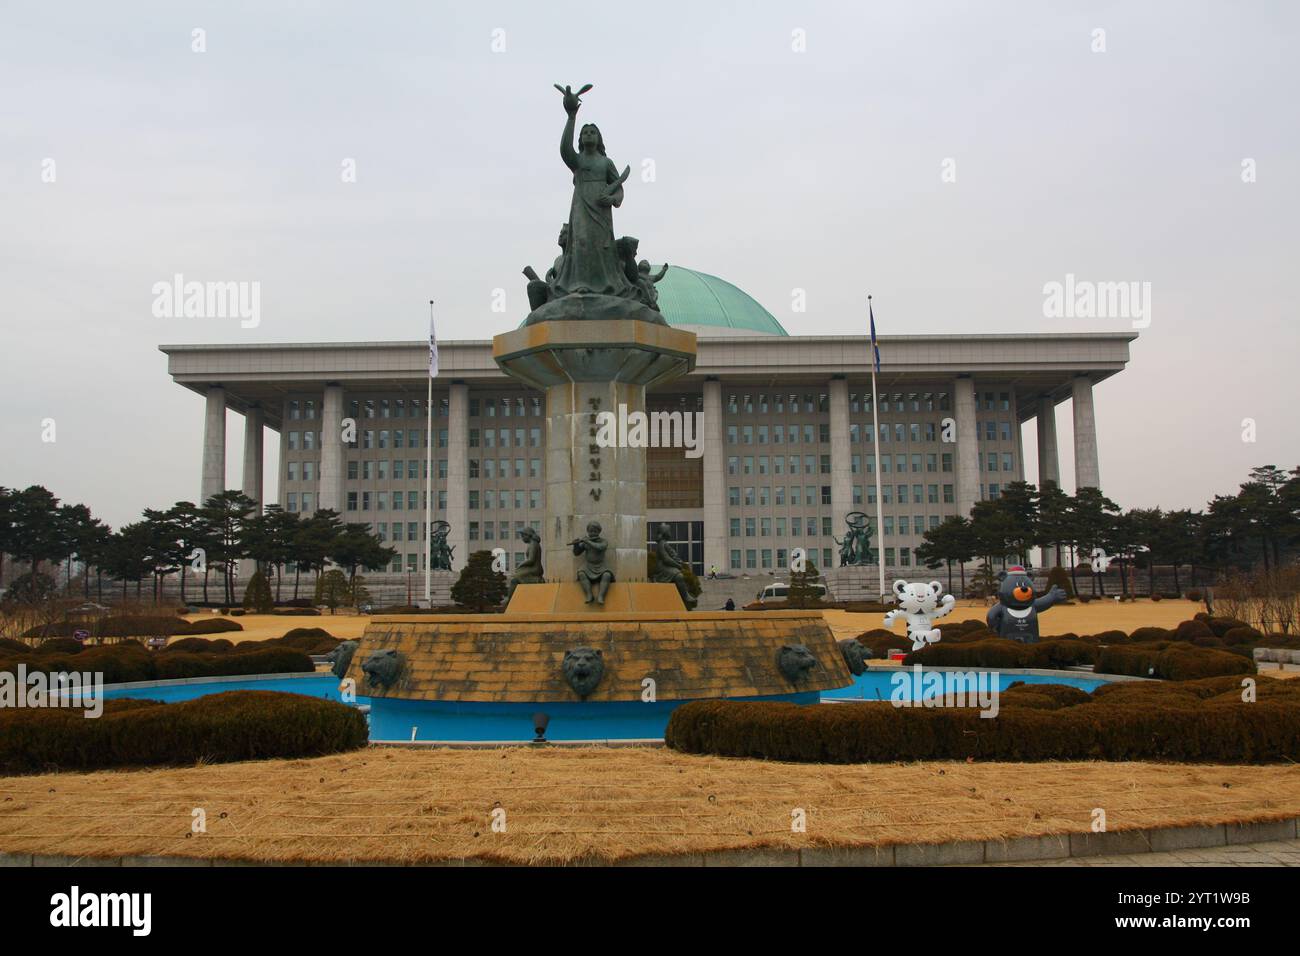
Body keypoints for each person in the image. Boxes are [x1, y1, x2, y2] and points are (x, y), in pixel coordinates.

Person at [571, 521, 614, 606]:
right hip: (588, 566)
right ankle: (589, 595)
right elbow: (576, 553)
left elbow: (600, 547)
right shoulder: (586, 542)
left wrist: (587, 541)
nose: (592, 533)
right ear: (588, 532)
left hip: (601, 566)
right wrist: (576, 545)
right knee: (581, 573)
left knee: (607, 575)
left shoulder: (603, 541)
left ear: (599, 532)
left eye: (595, 531)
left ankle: (601, 596)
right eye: (591, 531)